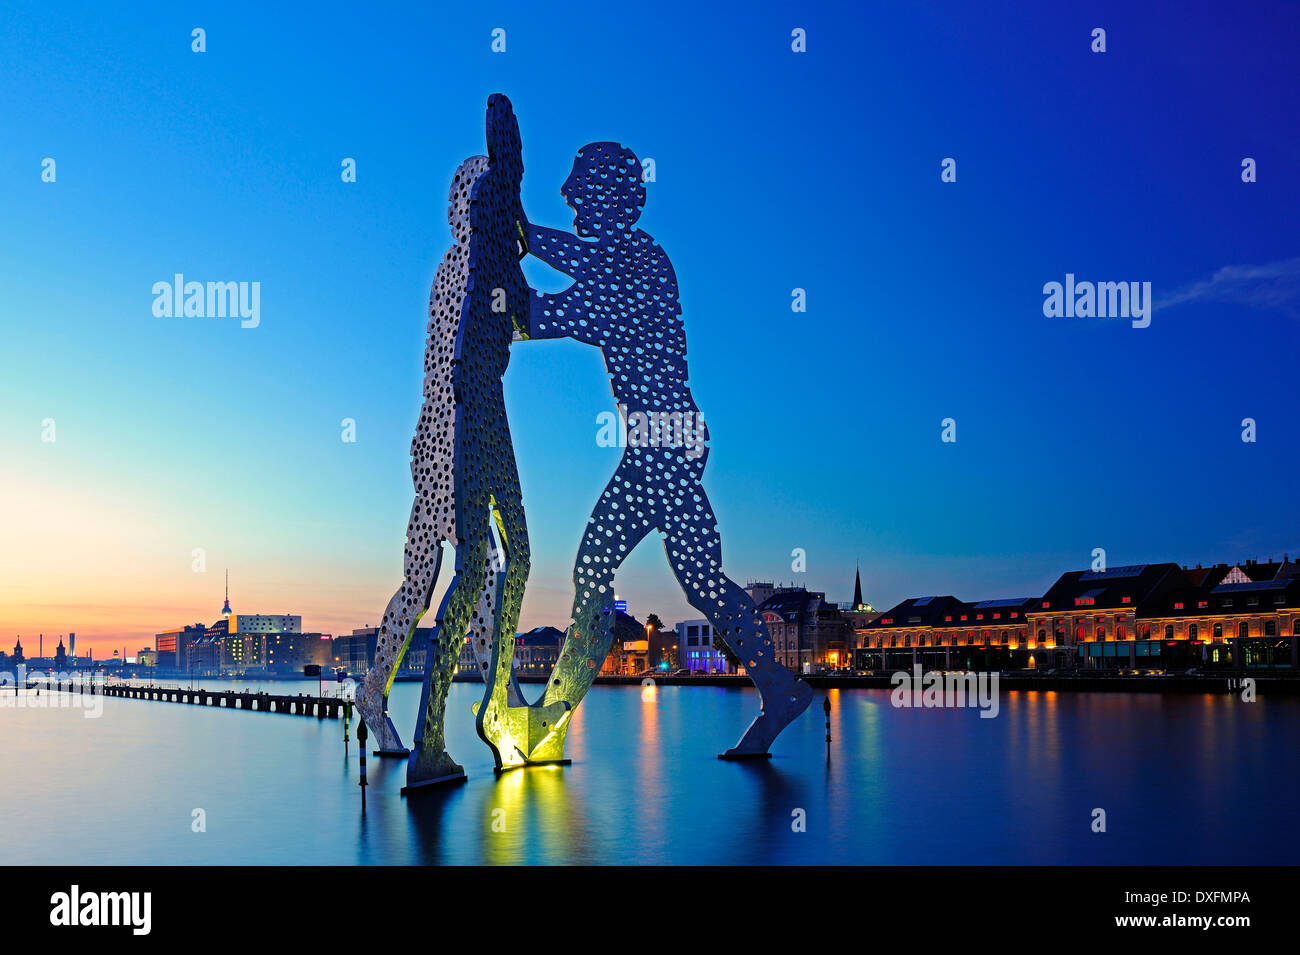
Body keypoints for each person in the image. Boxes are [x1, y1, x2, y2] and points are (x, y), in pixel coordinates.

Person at [507, 142, 811, 761]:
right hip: (673, 436)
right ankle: (780, 689)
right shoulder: (630, 261)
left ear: (611, 197)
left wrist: (509, 245)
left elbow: (540, 314)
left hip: (662, 442)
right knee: (700, 581)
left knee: (593, 571)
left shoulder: (636, 265)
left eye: (578, 188)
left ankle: (553, 716)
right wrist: (520, 238)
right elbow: (565, 279)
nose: (566, 197)